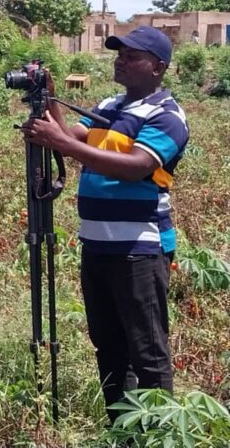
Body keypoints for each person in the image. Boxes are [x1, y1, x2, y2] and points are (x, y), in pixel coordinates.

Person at [22, 26, 189, 420]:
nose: (121, 60)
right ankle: (123, 430)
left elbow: (137, 167)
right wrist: (47, 99)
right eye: (119, 53)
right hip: (96, 245)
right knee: (109, 345)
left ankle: (160, 433)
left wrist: (62, 144)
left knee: (147, 350)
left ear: (158, 67)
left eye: (133, 56)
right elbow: (71, 137)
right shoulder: (112, 104)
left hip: (139, 249)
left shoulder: (166, 114)